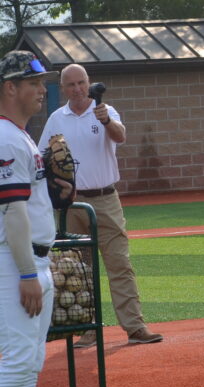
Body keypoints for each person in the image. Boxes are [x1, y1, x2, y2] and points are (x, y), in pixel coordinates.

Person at [38, 63, 163, 347]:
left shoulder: (105, 110)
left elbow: (120, 136)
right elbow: (41, 157)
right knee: (81, 271)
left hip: (106, 199)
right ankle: (90, 329)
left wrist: (106, 120)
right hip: (72, 204)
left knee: (119, 263)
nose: (77, 89)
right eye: (70, 85)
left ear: (88, 82)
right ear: (64, 88)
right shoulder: (57, 118)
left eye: (81, 83)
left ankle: (135, 327)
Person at [0, 50, 74, 387]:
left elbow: (28, 201)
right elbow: (12, 213)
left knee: (28, 364)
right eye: (33, 83)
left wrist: (57, 191)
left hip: (28, 260)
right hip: (15, 263)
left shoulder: (20, 136)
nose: (41, 90)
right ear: (10, 87)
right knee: (18, 361)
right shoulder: (7, 138)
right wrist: (28, 273)